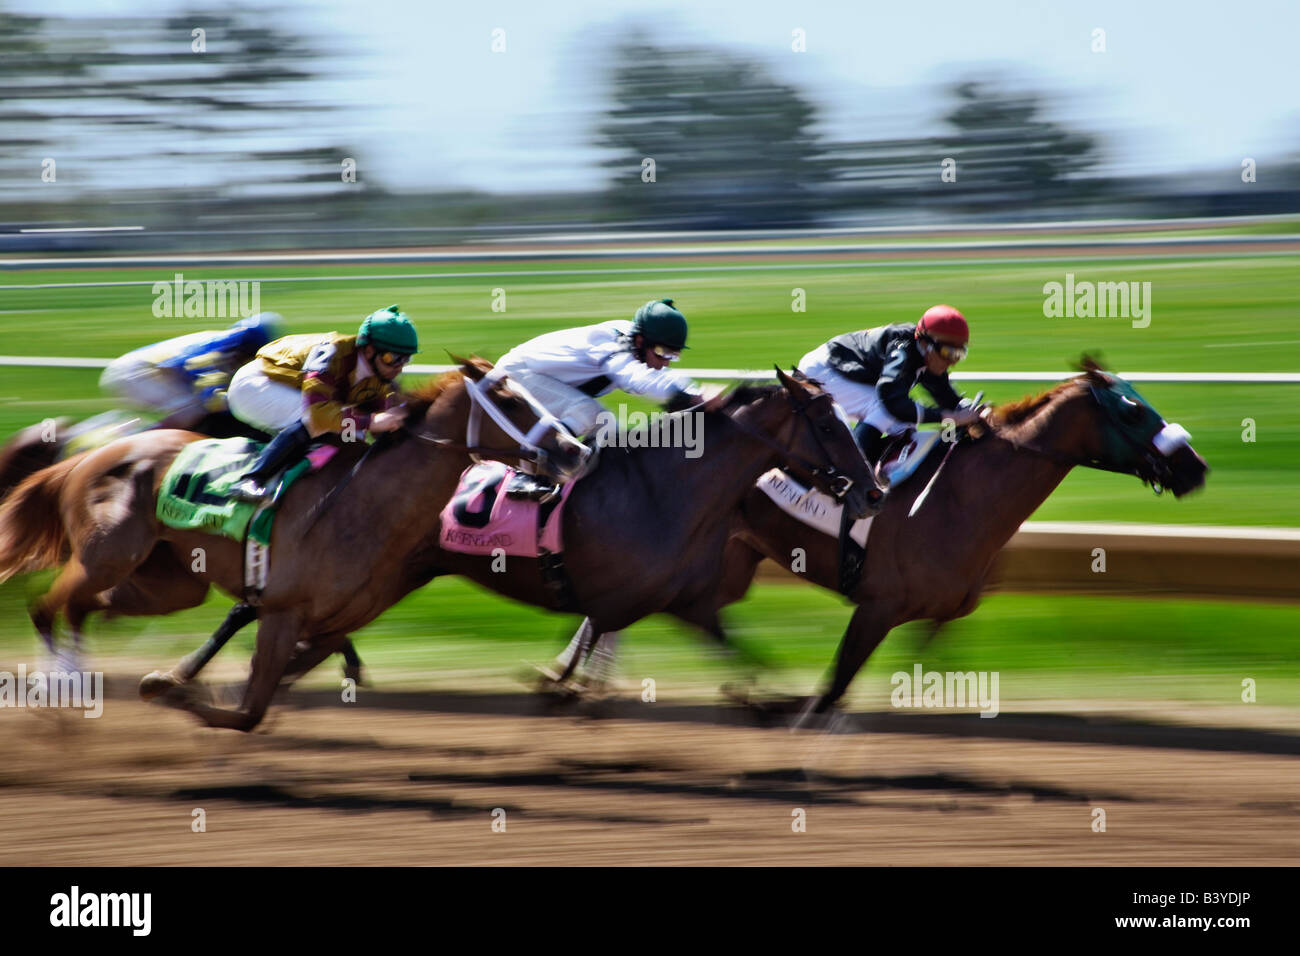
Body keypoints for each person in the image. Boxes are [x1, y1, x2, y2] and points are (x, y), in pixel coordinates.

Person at [227, 305, 418, 501]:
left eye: (405, 359)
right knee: (318, 422)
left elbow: (371, 428)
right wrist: (371, 422)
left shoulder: (379, 377)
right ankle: (250, 480)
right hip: (253, 385)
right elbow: (318, 416)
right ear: (369, 351)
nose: (398, 368)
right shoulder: (332, 352)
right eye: (392, 358)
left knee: (351, 432)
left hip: (291, 390)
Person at [798, 305, 982, 483]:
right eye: (948, 353)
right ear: (925, 343)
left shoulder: (928, 356)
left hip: (849, 371)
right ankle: (849, 475)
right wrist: (947, 417)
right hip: (823, 370)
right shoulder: (902, 347)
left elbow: (948, 398)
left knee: (906, 421)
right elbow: (891, 401)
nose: (952, 362)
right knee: (885, 409)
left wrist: (972, 410)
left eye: (959, 354)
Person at [493, 298, 703, 446]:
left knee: (610, 430)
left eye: (672, 355)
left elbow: (656, 379)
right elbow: (638, 380)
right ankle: (533, 472)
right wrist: (693, 396)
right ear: (640, 341)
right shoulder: (611, 340)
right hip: (516, 374)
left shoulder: (636, 347)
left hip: (539, 378)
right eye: (661, 352)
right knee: (588, 412)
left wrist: (694, 392)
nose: (665, 362)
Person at [99, 313, 284, 435]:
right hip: (133, 372)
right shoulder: (217, 350)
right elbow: (173, 370)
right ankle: (129, 440)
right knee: (192, 412)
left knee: (198, 409)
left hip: (147, 368)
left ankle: (125, 430)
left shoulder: (229, 344)